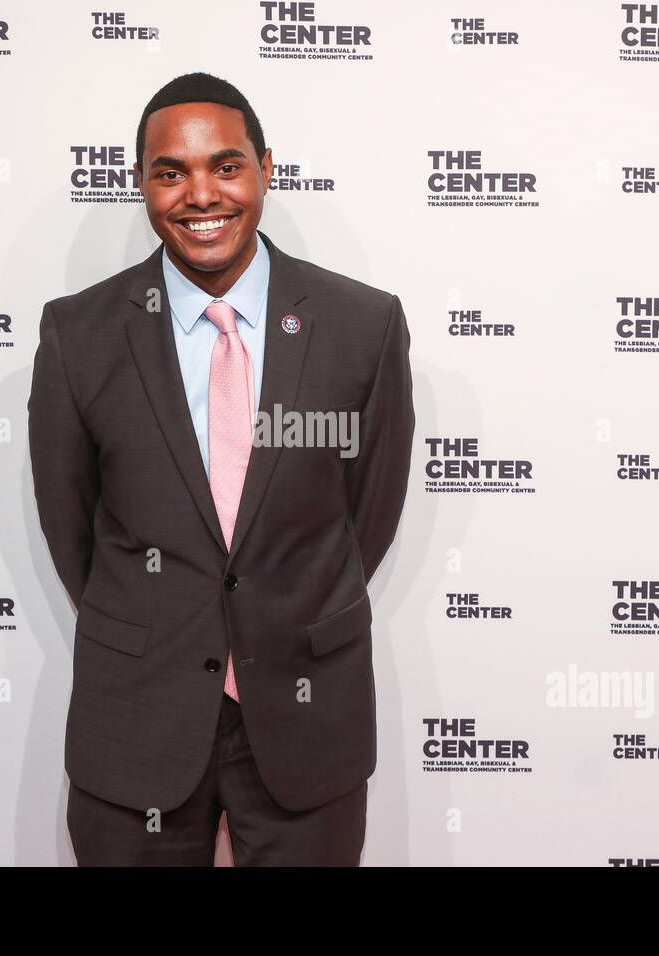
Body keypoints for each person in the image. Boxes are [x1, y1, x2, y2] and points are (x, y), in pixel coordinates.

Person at [28, 71, 415, 865]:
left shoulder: (362, 326)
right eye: (171, 172)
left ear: (266, 169)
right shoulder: (80, 336)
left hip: (309, 717)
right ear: (142, 183)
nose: (200, 195)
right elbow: (75, 533)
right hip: (137, 718)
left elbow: (362, 519)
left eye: (226, 166)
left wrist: (283, 598)